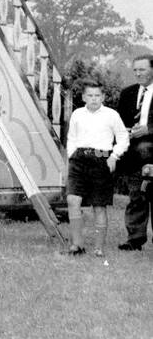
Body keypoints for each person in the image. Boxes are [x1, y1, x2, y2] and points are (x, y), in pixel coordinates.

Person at [64, 80, 129, 256]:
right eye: (90, 95)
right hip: (79, 160)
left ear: (103, 97)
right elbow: (71, 137)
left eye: (97, 95)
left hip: (102, 161)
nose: (94, 99)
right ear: (84, 96)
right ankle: (77, 245)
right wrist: (72, 154)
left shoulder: (111, 115)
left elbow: (123, 137)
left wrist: (114, 156)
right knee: (73, 200)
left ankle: (98, 248)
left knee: (99, 206)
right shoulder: (77, 114)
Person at [117, 54, 153, 251]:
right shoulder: (127, 93)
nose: (138, 73)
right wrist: (126, 133)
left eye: (143, 69)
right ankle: (134, 239)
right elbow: (119, 123)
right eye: (135, 70)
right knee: (136, 196)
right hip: (134, 155)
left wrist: (148, 129)